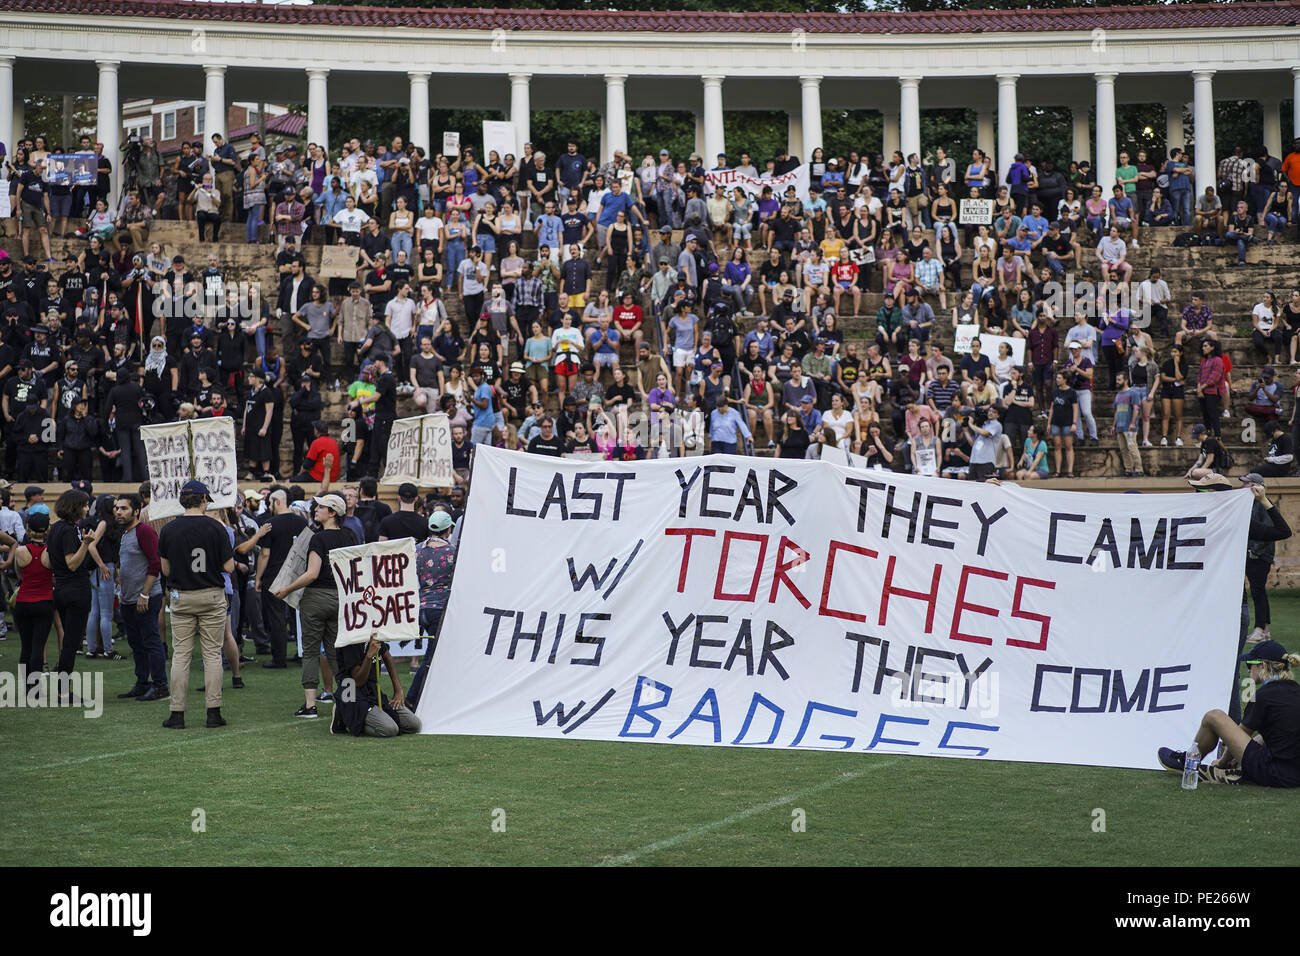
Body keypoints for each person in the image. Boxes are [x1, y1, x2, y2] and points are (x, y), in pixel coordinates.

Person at [1158, 639, 1300, 788]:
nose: (1248, 670)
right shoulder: (1295, 691)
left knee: (1214, 716)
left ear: (1262, 665)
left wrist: (1222, 763)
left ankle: (1188, 761)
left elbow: (1242, 731)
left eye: (1249, 665)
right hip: (1294, 774)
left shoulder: (1263, 696)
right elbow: (1276, 734)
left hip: (1274, 774)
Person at [272, 494, 356, 720]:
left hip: (316, 598)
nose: (316, 509)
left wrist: (287, 589)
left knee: (310, 651)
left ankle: (310, 706)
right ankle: (346, 700)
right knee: (336, 652)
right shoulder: (350, 536)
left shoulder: (318, 539)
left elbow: (312, 574)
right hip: (341, 598)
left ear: (333, 513)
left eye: (322, 507)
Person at [158, 480, 234, 729]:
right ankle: (213, 712)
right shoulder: (216, 528)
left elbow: (165, 569)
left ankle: (177, 713)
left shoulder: (169, 530)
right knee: (212, 654)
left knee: (181, 655)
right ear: (203, 500)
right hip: (211, 595)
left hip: (182, 596)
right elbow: (229, 567)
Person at [113, 492, 168, 700]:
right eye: (117, 508)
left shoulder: (144, 531)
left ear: (136, 511)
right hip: (128, 598)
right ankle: (142, 682)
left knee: (151, 641)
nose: (119, 512)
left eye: (124, 508)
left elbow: (156, 564)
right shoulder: (125, 533)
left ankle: (161, 685)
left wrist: (144, 594)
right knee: (136, 643)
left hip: (145, 597)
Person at [406, 509, 457, 710]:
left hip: (421, 608)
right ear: (448, 529)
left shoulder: (416, 550)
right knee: (432, 658)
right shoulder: (453, 552)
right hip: (441, 609)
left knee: (436, 655)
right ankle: (411, 699)